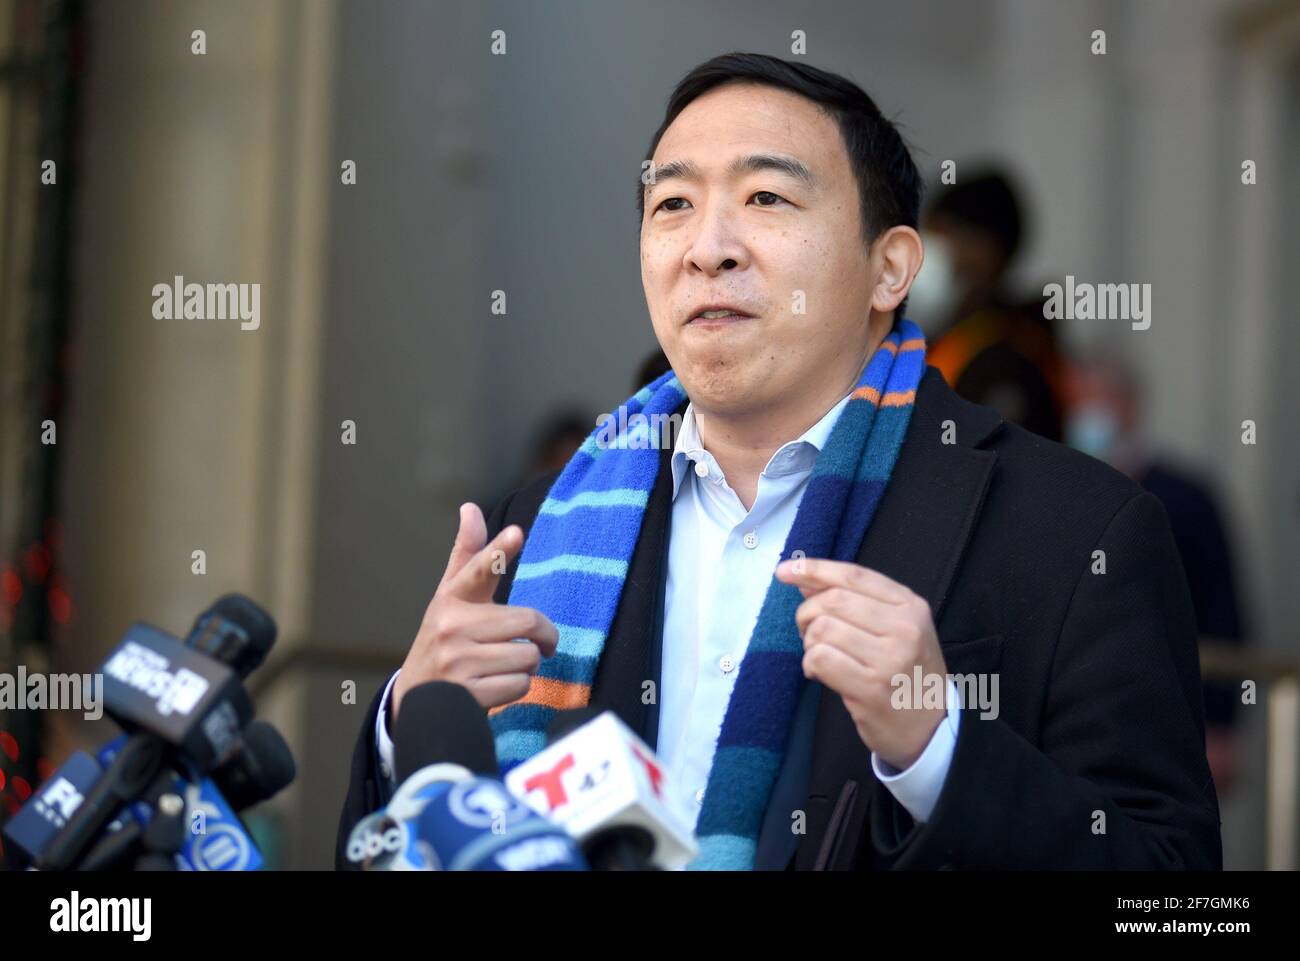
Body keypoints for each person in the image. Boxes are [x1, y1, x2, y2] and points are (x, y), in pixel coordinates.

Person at [338, 52, 1220, 870]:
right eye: (672, 204)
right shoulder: (547, 524)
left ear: (890, 268)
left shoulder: (1075, 530)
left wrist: (941, 750)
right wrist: (409, 719)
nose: (706, 246)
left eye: (765, 198)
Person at [1067, 353, 1248, 796]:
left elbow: (1223, 606)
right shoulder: (1055, 491)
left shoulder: (1185, 496)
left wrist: (1222, 725)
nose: (1087, 413)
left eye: (1100, 399)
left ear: (1130, 405)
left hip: (1168, 709)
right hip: (1076, 712)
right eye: (1077, 401)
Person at [909, 169, 1067, 440]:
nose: (924, 254)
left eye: (940, 237)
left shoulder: (1005, 358)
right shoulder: (957, 337)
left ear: (984, 250)